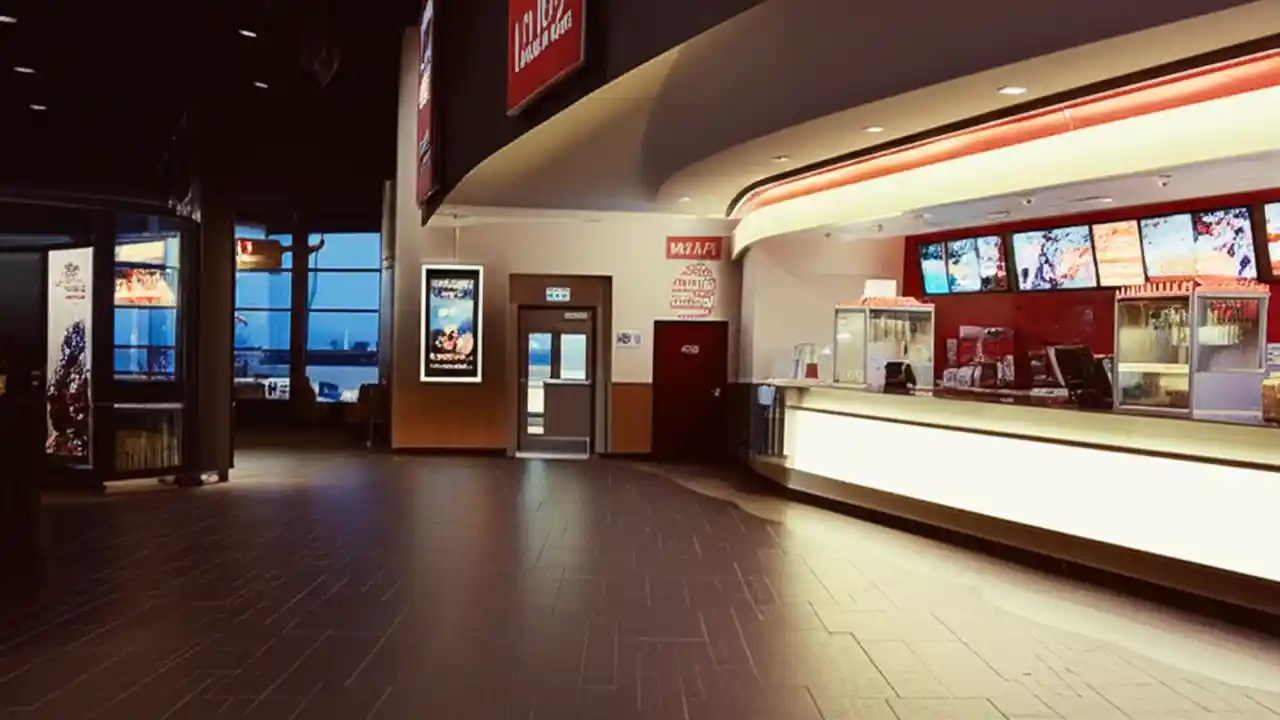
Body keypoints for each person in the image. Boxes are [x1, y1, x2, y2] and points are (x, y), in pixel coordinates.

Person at [0, 342, 48, 594]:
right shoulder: (34, 402)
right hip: (28, 465)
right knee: (28, 508)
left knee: (11, 505)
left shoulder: (9, 405)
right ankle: (30, 556)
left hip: (10, 464)